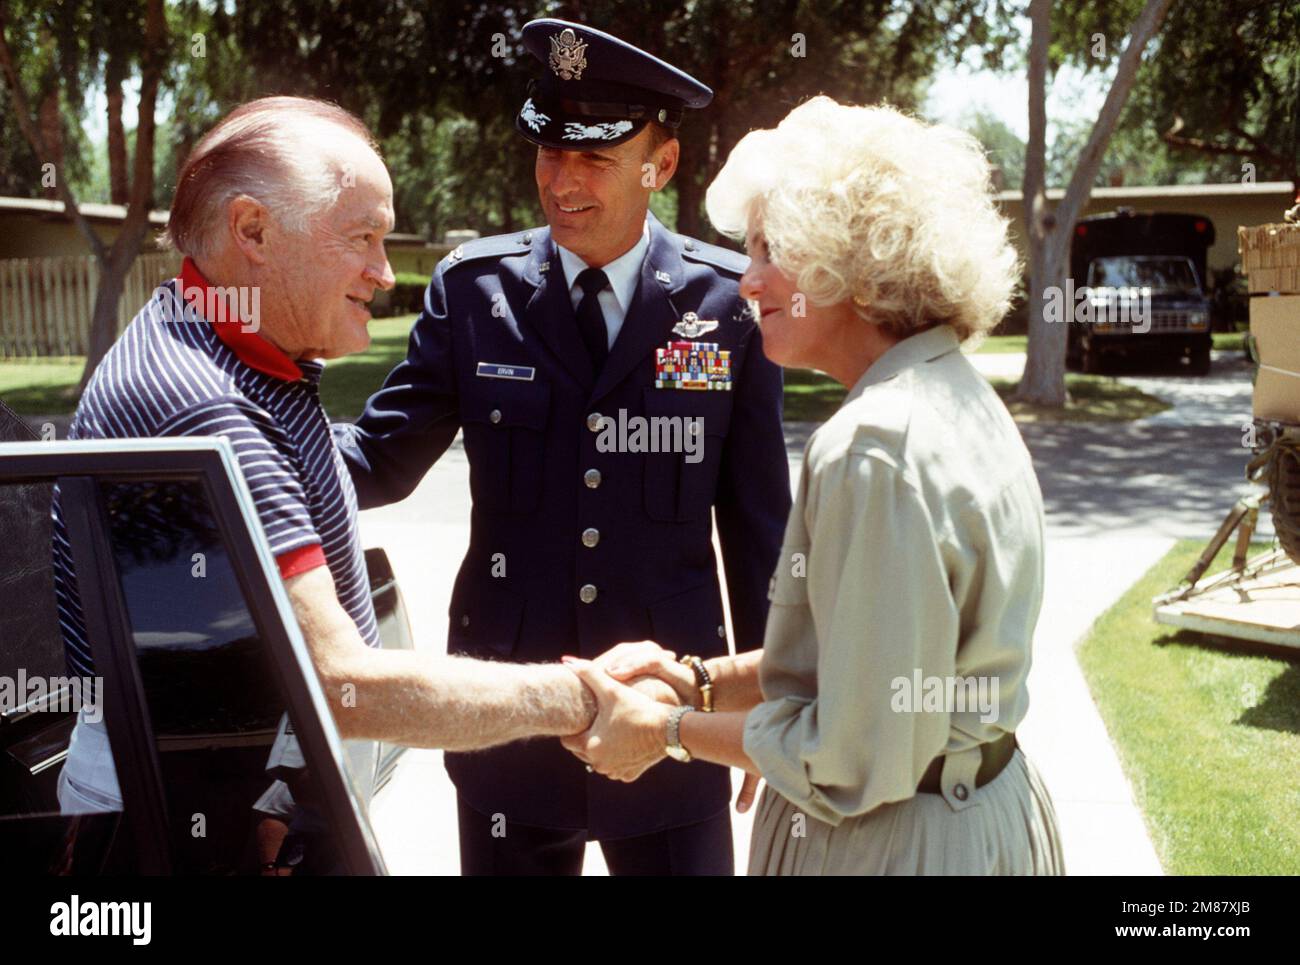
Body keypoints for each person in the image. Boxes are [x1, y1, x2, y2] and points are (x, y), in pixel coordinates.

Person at [49, 95, 670, 820]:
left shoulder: (225, 343)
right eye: (363, 237)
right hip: (178, 812)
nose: (383, 272)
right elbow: (344, 683)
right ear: (252, 229)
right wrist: (586, 696)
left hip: (225, 791)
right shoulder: (210, 407)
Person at [561, 96, 1066, 875]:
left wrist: (663, 729)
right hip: (977, 814)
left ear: (856, 270)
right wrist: (696, 680)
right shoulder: (952, 391)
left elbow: (850, 758)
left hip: (895, 843)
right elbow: (870, 664)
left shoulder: (873, 448)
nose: (748, 283)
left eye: (772, 251)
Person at [333, 19, 791, 875]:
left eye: (594, 159)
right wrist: (235, 458)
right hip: (511, 720)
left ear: (661, 165)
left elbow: (761, 531)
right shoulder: (476, 293)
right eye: (548, 151)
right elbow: (377, 460)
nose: (561, 181)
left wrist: (765, 714)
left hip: (669, 725)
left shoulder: (727, 304)